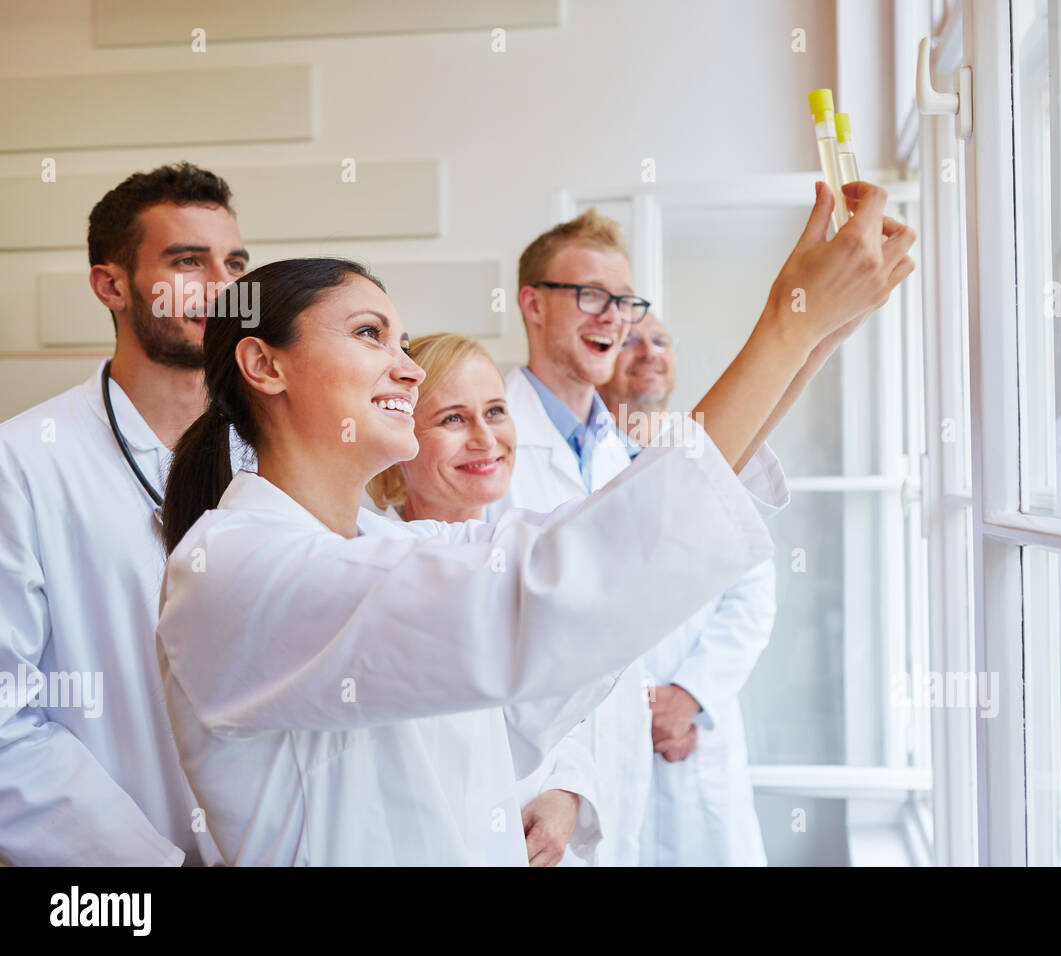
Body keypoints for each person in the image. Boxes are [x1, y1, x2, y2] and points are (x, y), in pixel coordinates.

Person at [156, 179, 914, 865]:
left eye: (401, 341)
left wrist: (816, 335)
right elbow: (552, 589)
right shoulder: (234, 573)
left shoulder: (400, 543)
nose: (409, 368)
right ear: (265, 366)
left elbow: (559, 647)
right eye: (368, 335)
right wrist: (788, 322)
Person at [486, 189, 914, 864]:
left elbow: (707, 500)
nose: (617, 320)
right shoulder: (490, 436)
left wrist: (824, 326)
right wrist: (800, 319)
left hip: (616, 776)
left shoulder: (612, 449)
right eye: (590, 295)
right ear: (533, 304)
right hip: (532, 790)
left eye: (625, 302)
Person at [0, 163, 249, 866]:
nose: (224, 288)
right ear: (112, 285)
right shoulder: (22, 464)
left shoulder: (280, 453)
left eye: (234, 263)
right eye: (187, 262)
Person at [367, 333, 602, 867]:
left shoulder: (527, 551)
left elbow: (570, 708)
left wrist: (566, 792)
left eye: (495, 411)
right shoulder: (372, 568)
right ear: (399, 438)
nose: (485, 438)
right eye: (452, 419)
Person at [598, 314, 774, 866]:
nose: (647, 351)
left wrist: (688, 697)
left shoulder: (708, 459)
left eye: (659, 340)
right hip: (607, 727)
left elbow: (751, 593)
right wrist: (639, 705)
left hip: (697, 732)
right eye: (628, 341)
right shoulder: (581, 465)